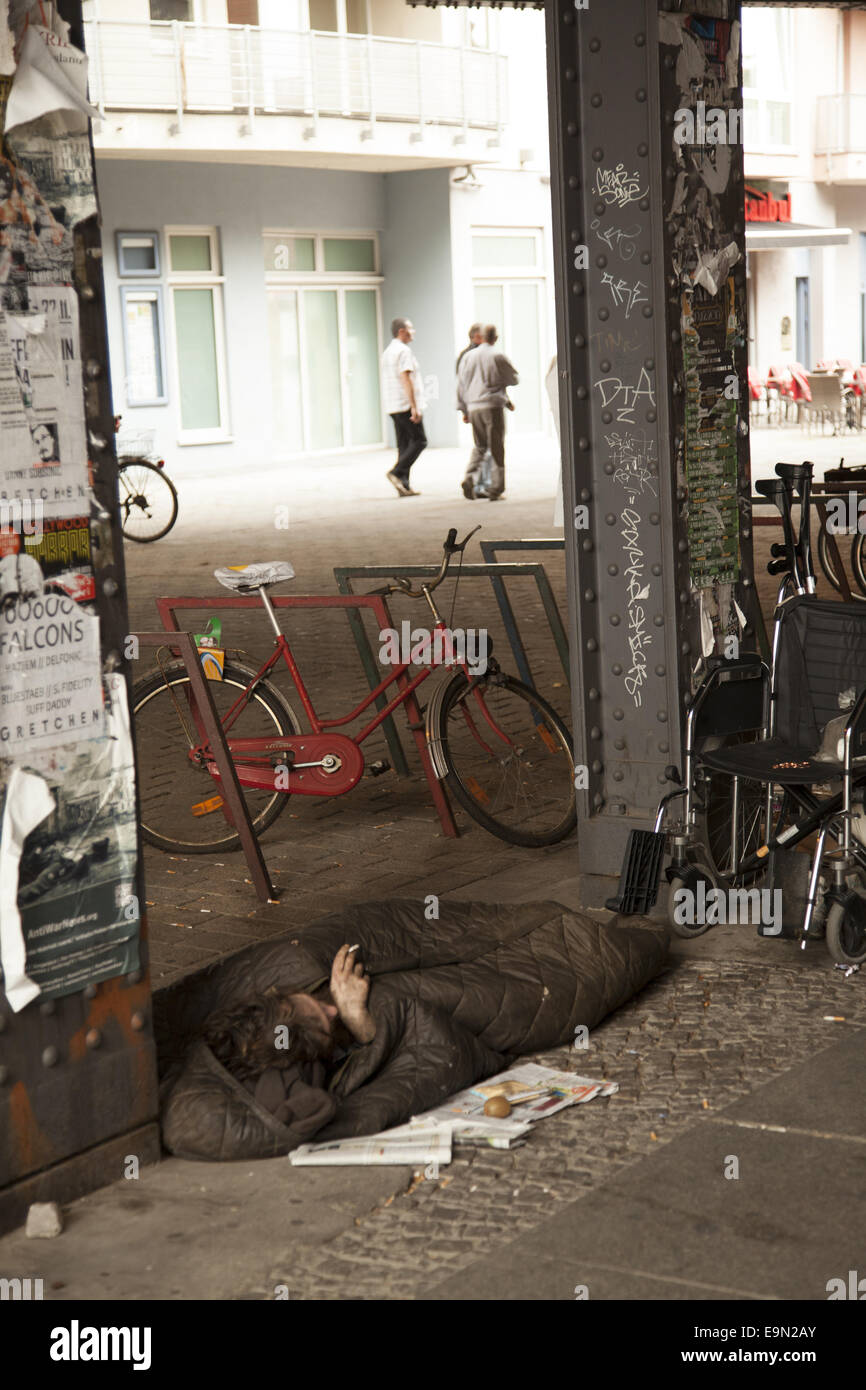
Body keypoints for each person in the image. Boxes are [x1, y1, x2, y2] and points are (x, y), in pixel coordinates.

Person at [456, 324, 518, 501]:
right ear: (495, 338)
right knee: (496, 447)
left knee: (480, 445)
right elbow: (513, 379)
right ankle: (496, 489)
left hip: (473, 407)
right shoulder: (497, 355)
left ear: (481, 337)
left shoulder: (468, 357)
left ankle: (470, 477)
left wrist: (463, 408)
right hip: (492, 406)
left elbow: (461, 385)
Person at [381, 317, 427, 497]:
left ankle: (404, 485)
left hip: (392, 404)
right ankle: (397, 472)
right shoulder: (403, 351)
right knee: (420, 441)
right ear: (401, 331)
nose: (413, 332)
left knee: (404, 444)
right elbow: (405, 378)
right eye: (410, 328)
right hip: (404, 403)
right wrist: (414, 406)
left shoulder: (387, 352)